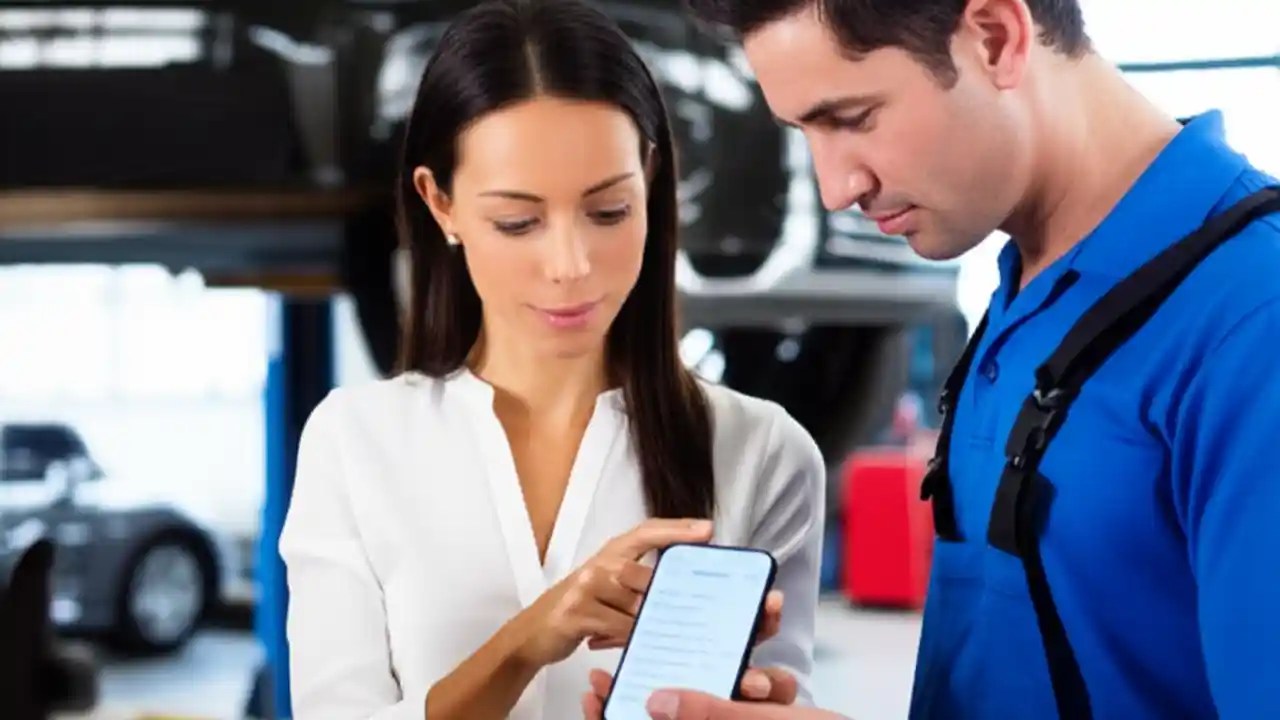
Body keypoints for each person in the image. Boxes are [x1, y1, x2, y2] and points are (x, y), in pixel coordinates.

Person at [583, 0, 1280, 718]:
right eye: (803, 133)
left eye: (852, 119)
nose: (835, 189)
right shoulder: (1029, 291)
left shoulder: (1254, 320)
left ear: (994, 36)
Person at [277, 1, 827, 719]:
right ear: (439, 204)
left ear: (651, 182)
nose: (570, 265)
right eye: (518, 222)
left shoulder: (761, 451)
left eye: (608, 212)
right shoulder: (356, 441)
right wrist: (531, 638)